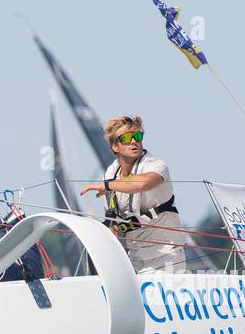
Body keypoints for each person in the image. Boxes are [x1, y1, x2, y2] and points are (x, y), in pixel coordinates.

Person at [80, 115, 187, 272]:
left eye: (137, 136)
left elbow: (141, 183)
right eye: (126, 138)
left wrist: (108, 186)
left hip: (167, 257)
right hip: (135, 259)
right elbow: (115, 225)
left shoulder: (155, 165)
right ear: (115, 146)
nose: (133, 141)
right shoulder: (111, 172)